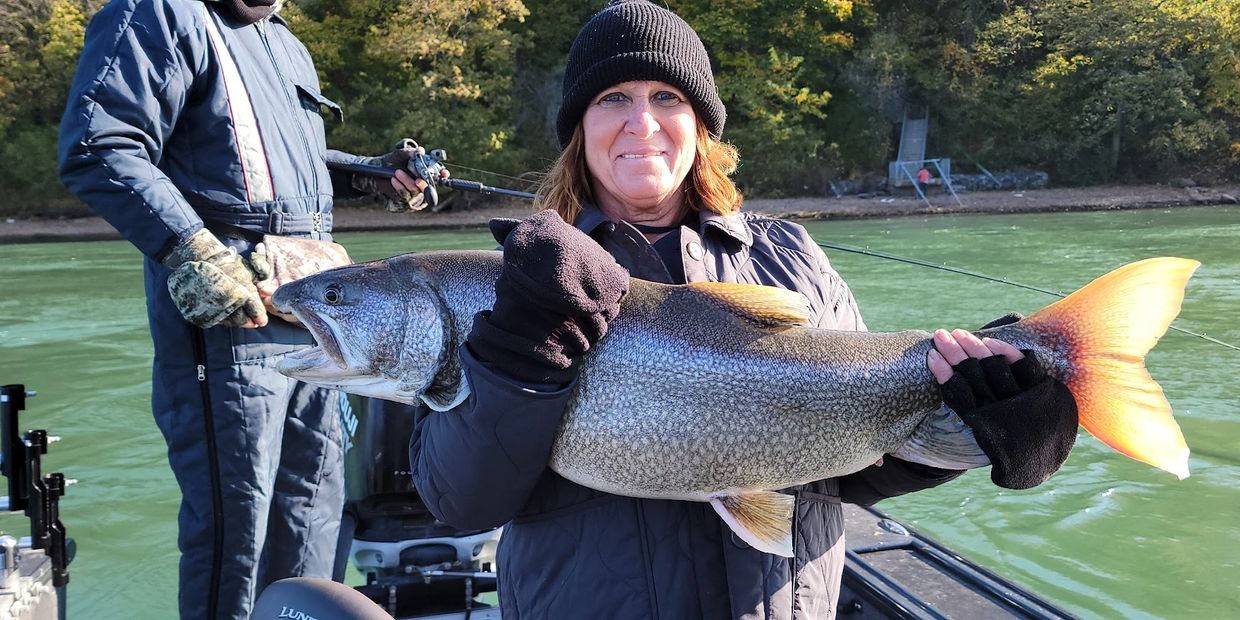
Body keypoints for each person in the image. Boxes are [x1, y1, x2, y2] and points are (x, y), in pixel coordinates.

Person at [410, 1, 1079, 617]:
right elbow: (462, 499)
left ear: (700, 125)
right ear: (578, 129)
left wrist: (981, 429)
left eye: (666, 96)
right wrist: (518, 355)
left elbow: (858, 461)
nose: (641, 122)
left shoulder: (793, 257)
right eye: (613, 97)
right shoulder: (513, 283)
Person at [57, 1, 426, 618]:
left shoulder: (284, 42)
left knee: (315, 510)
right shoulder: (159, 13)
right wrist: (190, 248)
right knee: (239, 531)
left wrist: (372, 175)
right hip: (230, 325)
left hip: (313, 317)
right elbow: (99, 142)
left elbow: (276, 174)